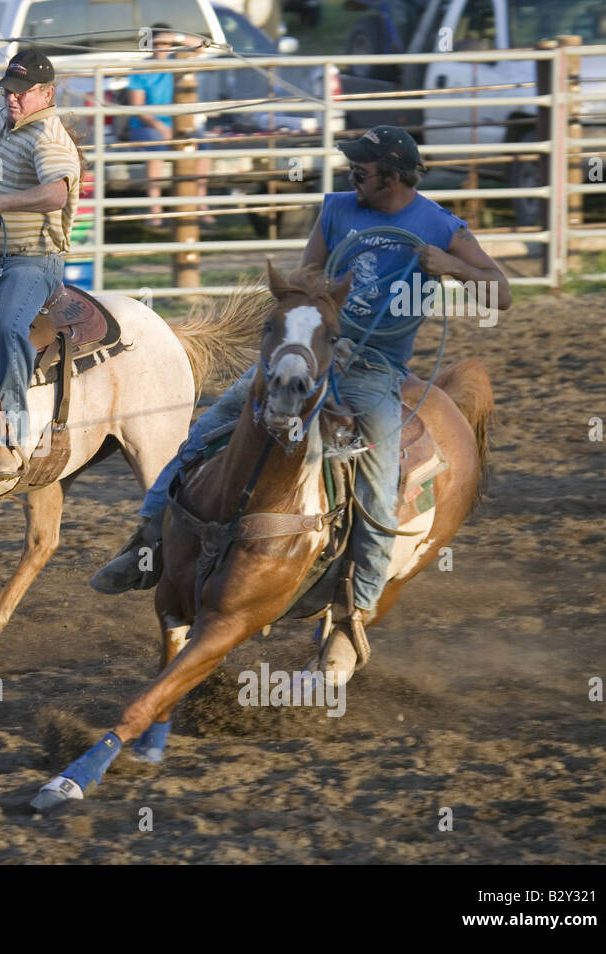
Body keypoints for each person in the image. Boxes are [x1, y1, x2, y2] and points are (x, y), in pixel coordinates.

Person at [91, 125, 512, 680]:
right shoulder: (338, 208)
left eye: (361, 168)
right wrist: (307, 299)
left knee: (380, 483)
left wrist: (452, 267)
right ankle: (144, 541)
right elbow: (307, 272)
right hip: (311, 352)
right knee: (207, 430)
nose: (351, 175)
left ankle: (354, 612)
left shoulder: (437, 225)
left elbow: (500, 292)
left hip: (373, 370)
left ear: (391, 174)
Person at [0, 35, 82, 480]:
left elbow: (56, 193)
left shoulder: (48, 137)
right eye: (7, 91)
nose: (11, 99)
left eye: (20, 93)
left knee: (8, 328)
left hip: (32, 261)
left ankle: (13, 432)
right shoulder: (3, 122)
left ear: (46, 94)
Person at [121, 24, 209, 227]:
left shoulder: (178, 61)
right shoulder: (140, 69)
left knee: (204, 146)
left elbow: (203, 46)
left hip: (177, 123)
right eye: (158, 43)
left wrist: (177, 36)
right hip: (148, 124)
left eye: (167, 43)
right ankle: (155, 210)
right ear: (150, 45)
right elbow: (138, 108)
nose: (162, 47)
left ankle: (201, 205)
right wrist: (162, 128)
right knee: (156, 149)